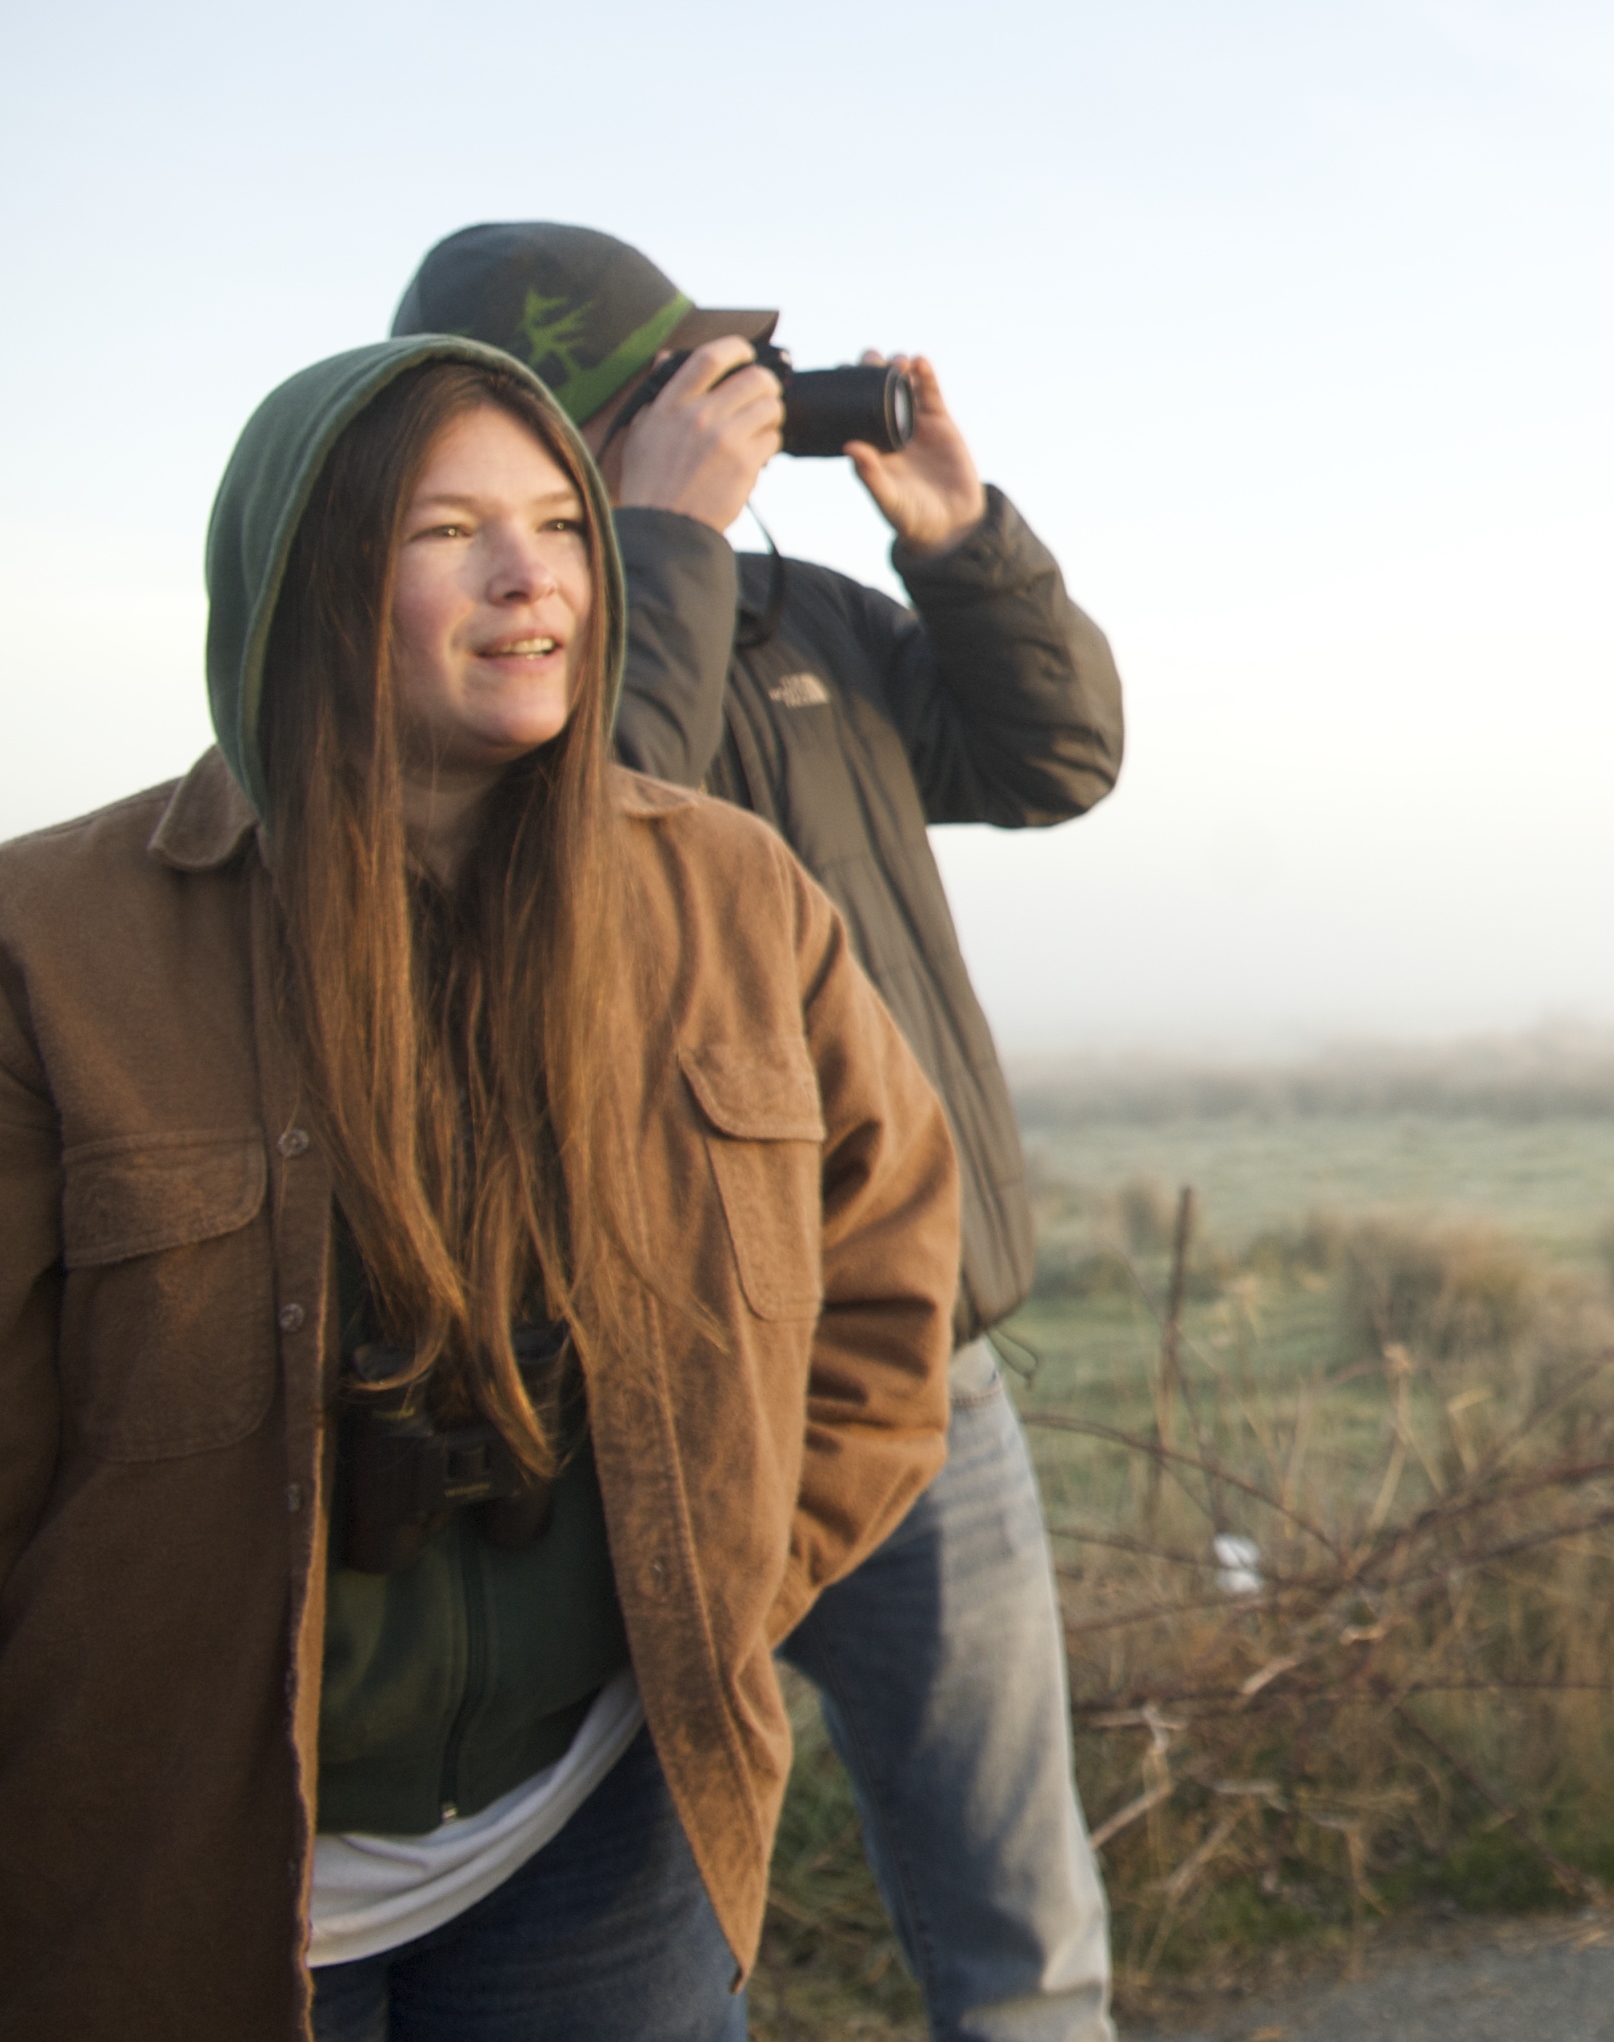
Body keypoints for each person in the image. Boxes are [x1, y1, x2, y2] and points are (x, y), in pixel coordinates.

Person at [0, 336, 960, 2040]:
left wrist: (709, 1592)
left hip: (604, 1841)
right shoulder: (23, 954)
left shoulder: (729, 897)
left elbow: (886, 1287)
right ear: (304, 581)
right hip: (160, 1897)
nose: (528, 576)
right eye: (445, 533)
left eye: (562, 523)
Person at [390, 223, 1125, 2042]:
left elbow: (1058, 761)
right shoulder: (487, 669)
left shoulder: (815, 629)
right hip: (612, 1406)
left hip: (908, 1364)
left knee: (1021, 1932)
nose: (727, 413)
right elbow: (579, 864)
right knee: (617, 1938)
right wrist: (657, 553)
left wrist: (962, 537)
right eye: (669, 392)